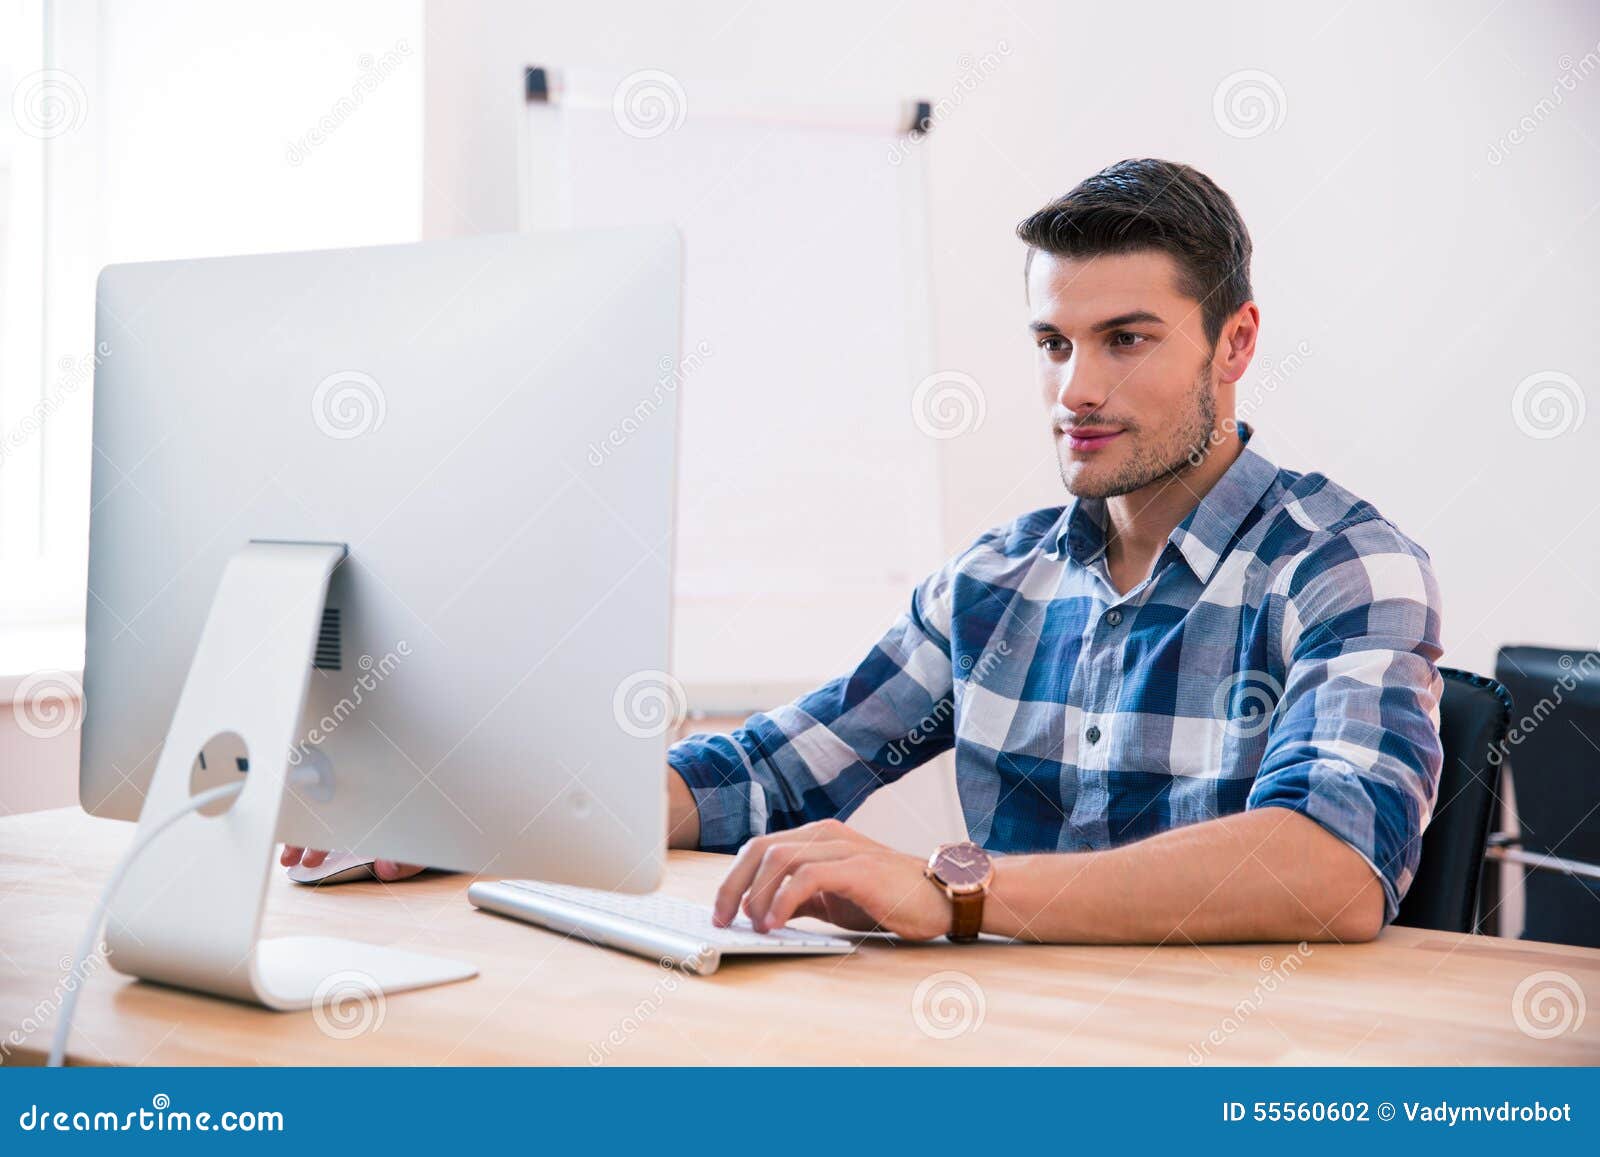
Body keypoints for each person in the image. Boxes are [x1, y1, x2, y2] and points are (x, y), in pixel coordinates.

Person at [287, 158, 1443, 947]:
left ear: (1232, 342)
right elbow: (770, 769)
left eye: (1125, 340)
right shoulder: (996, 580)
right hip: (1009, 1047)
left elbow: (1330, 869)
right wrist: (460, 810)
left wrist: (958, 891)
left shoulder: (1343, 565)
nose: (1074, 390)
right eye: (1051, 342)